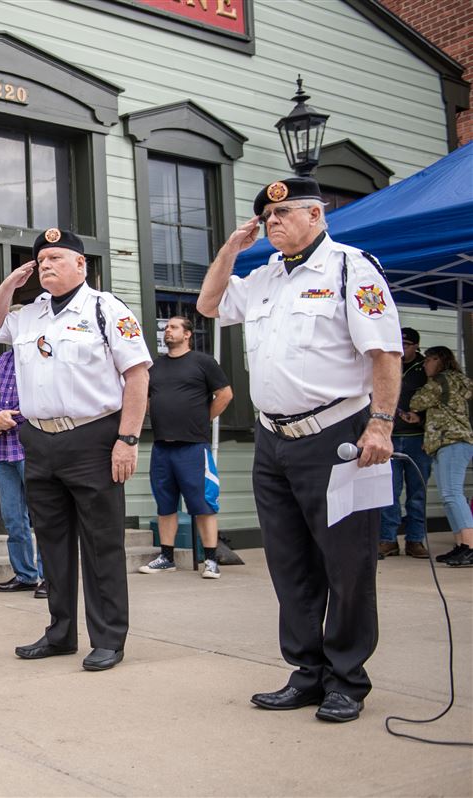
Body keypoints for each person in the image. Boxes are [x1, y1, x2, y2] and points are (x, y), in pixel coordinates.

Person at [197, 176, 401, 723]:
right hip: (273, 441)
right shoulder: (263, 276)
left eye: (284, 214)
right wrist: (229, 250)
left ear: (317, 214)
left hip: (339, 437)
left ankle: (347, 679)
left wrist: (379, 425)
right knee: (290, 565)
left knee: (347, 563)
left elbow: (384, 354)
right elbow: (209, 303)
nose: (273, 223)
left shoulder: (350, 268)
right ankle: (307, 672)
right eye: (267, 218)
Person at [0, 228, 151, 672]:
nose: (46, 265)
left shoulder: (105, 309)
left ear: (81, 264)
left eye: (57, 257)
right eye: (41, 260)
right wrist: (8, 285)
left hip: (93, 437)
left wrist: (128, 439)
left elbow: (137, 376)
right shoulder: (28, 313)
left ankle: (109, 637)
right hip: (38, 439)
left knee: (101, 544)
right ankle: (59, 633)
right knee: (52, 543)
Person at [140, 315, 232, 578]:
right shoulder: (154, 367)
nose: (167, 331)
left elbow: (225, 395)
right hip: (162, 447)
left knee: (203, 504)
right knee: (165, 504)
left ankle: (211, 560)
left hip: (193, 447)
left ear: (188, 333)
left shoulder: (203, 362)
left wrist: (202, 420)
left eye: (173, 327)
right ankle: (166, 557)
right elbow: (146, 399)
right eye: (166, 327)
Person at [0, 340, 45, 596]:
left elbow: (45, 401)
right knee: (12, 519)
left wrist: (8, 420)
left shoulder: (41, 360)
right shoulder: (2, 361)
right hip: (3, 452)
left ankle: (50, 578)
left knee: (42, 516)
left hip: (32, 448)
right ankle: (26, 575)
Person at [409, 345, 473, 567]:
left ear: (441, 361)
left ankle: (470, 546)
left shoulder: (439, 382)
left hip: (451, 442)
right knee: (449, 496)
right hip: (452, 442)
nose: (425, 364)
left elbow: (416, 402)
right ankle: (461, 545)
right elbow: (445, 411)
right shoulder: (457, 380)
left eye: (429, 359)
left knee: (452, 494)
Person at [379, 327, 431, 559]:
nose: (402, 348)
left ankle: (415, 539)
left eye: (407, 344)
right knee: (389, 491)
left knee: (417, 492)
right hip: (390, 436)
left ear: (417, 346)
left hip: (417, 439)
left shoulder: (426, 368)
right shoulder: (387, 362)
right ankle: (388, 539)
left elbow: (438, 403)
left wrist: (423, 420)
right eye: (399, 343)